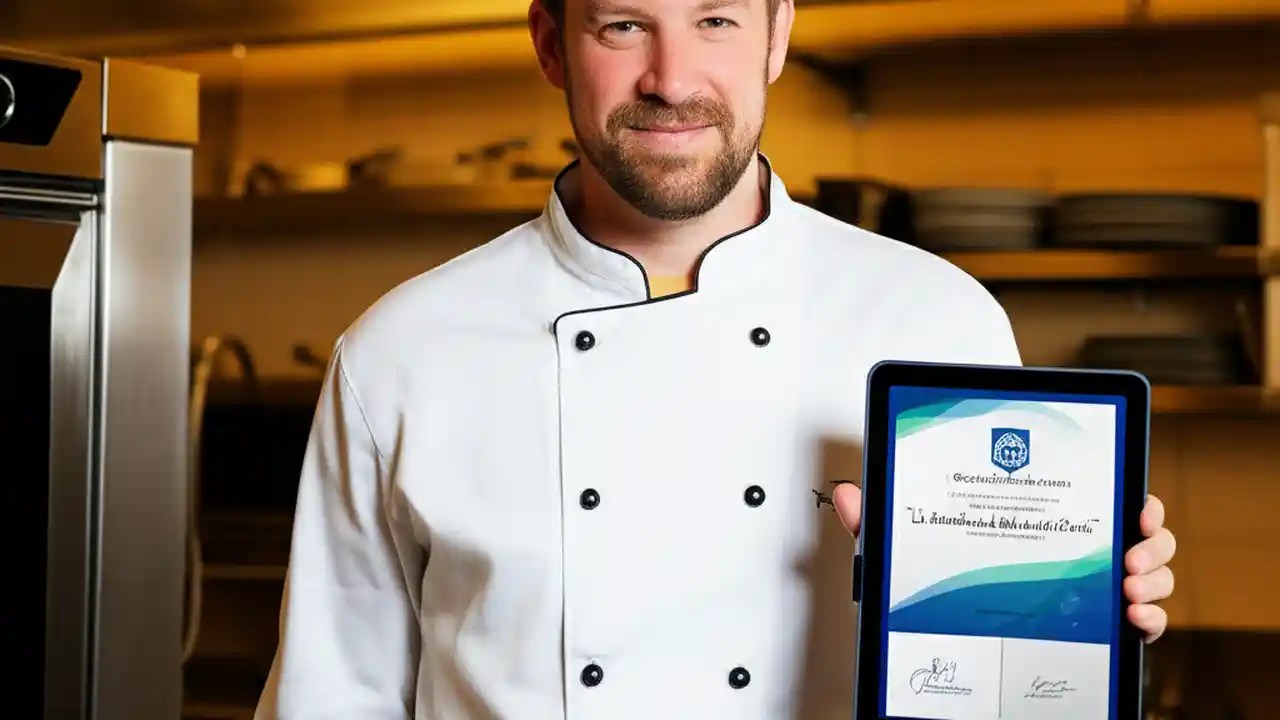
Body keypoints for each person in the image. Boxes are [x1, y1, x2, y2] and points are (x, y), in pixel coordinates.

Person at [254, 1, 1178, 717]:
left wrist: (1066, 618)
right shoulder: (403, 350)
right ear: (548, 43)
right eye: (623, 25)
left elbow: (1001, 687)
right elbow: (332, 698)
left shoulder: (937, 320)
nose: (670, 76)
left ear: (777, 35)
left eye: (717, 20)